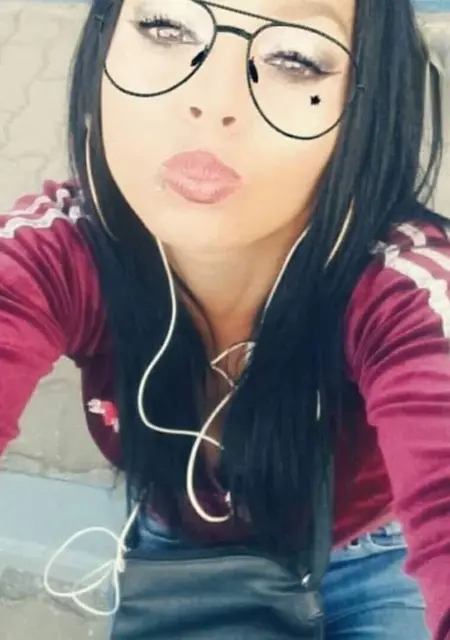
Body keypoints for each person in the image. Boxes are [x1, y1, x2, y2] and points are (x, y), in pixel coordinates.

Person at [0, 0, 449, 637]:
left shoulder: (405, 290)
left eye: (295, 57)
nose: (210, 102)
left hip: (373, 554)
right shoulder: (56, 256)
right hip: (178, 544)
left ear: (366, 108)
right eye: (165, 26)